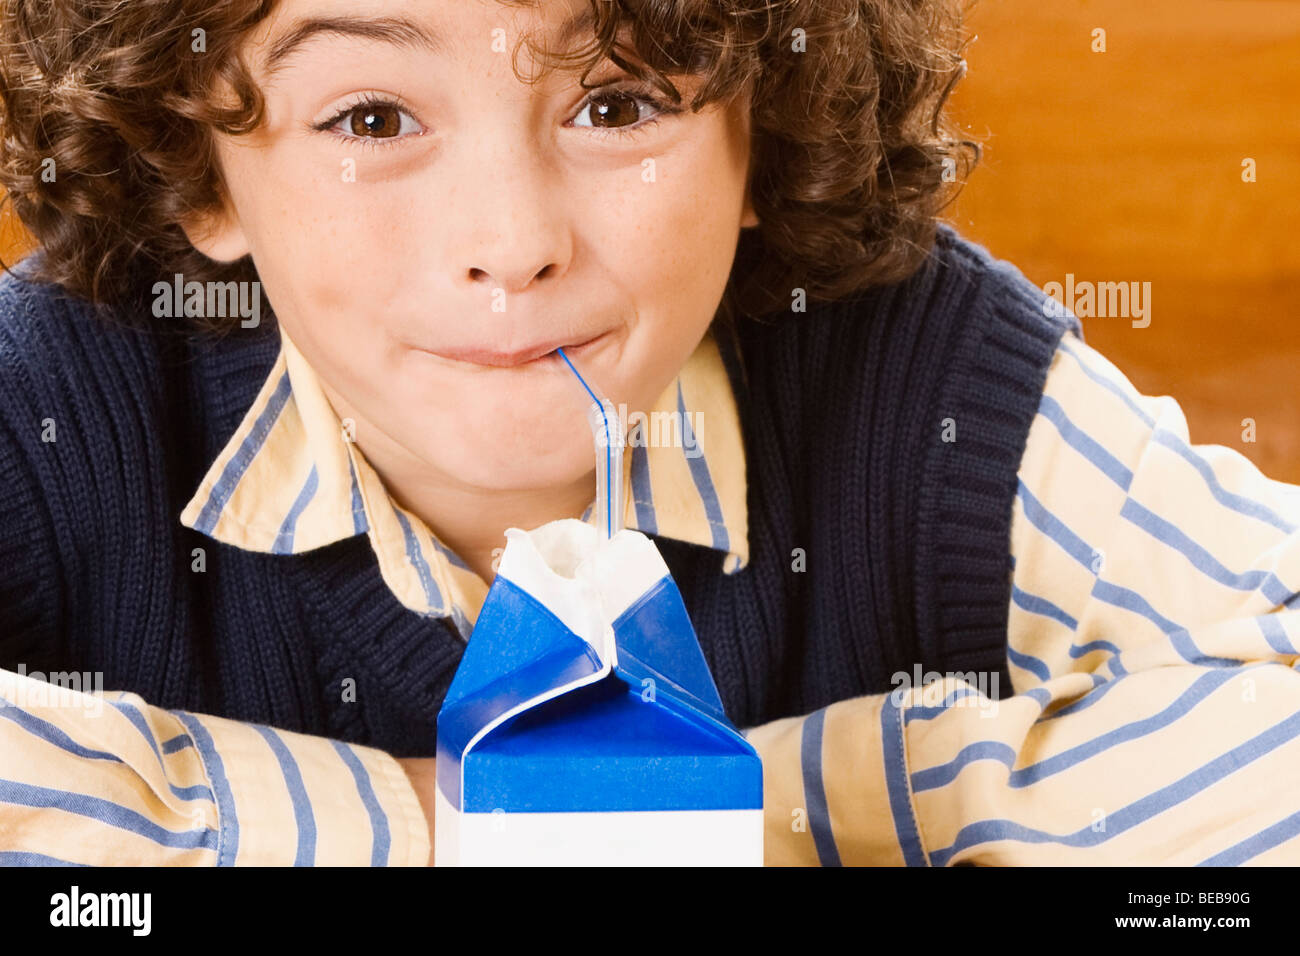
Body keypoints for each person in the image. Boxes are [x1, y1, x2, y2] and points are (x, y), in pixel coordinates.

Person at [1, 0, 1298, 867]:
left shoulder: (940, 385)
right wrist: (469, 826)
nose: (511, 243)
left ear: (761, 133)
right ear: (198, 167)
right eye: (372, 120)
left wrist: (763, 806)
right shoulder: (54, 411)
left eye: (616, 105)